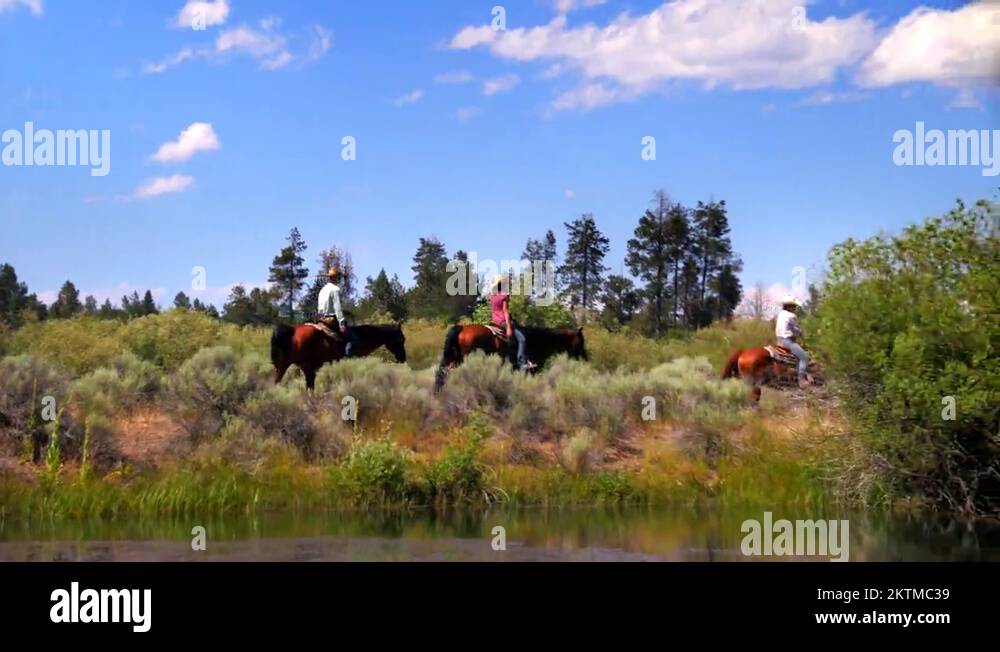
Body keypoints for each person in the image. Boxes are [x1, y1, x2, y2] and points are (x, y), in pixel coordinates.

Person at [490, 275, 535, 371]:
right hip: (503, 321)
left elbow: (494, 310)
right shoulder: (504, 295)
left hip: (494, 321)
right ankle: (522, 363)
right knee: (522, 339)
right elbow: (505, 311)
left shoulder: (492, 295)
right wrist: (509, 327)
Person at [317, 266, 358, 357]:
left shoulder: (322, 290)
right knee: (353, 339)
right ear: (336, 278)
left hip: (321, 318)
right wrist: (342, 323)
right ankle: (346, 360)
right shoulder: (335, 290)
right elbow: (337, 308)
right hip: (331, 319)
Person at [774, 294, 811, 388]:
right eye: (794, 306)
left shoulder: (781, 314)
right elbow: (796, 330)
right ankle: (801, 380)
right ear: (789, 306)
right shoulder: (791, 316)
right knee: (804, 357)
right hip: (788, 341)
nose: (795, 307)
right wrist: (802, 334)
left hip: (779, 339)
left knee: (799, 356)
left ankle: (801, 374)